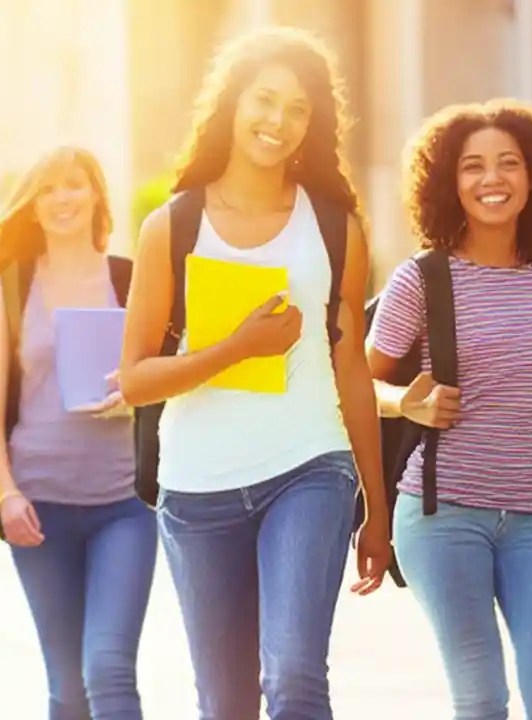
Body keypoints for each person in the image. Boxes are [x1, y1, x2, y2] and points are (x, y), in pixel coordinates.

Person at [118, 26, 391, 720]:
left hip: (309, 468)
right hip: (197, 488)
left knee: (297, 677)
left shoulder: (335, 229)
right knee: (226, 705)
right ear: (231, 104)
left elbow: (350, 369)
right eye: (264, 100)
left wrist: (377, 508)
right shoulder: (172, 226)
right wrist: (236, 348)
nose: (277, 121)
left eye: (297, 109)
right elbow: (135, 379)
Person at [367, 99, 532, 720]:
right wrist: (408, 403)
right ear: (448, 181)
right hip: (445, 515)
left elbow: (527, 379)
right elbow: (356, 385)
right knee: (482, 699)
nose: (492, 179)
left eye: (508, 163)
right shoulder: (423, 278)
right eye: (472, 166)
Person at [0, 146, 156, 720]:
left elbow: (166, 379)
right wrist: (7, 494)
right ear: (32, 206)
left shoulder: (130, 278)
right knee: (68, 687)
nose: (61, 199)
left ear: (97, 194)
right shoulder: (11, 283)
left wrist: (133, 396)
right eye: (47, 189)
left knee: (109, 668)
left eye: (73, 185)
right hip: (39, 506)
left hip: (123, 504)